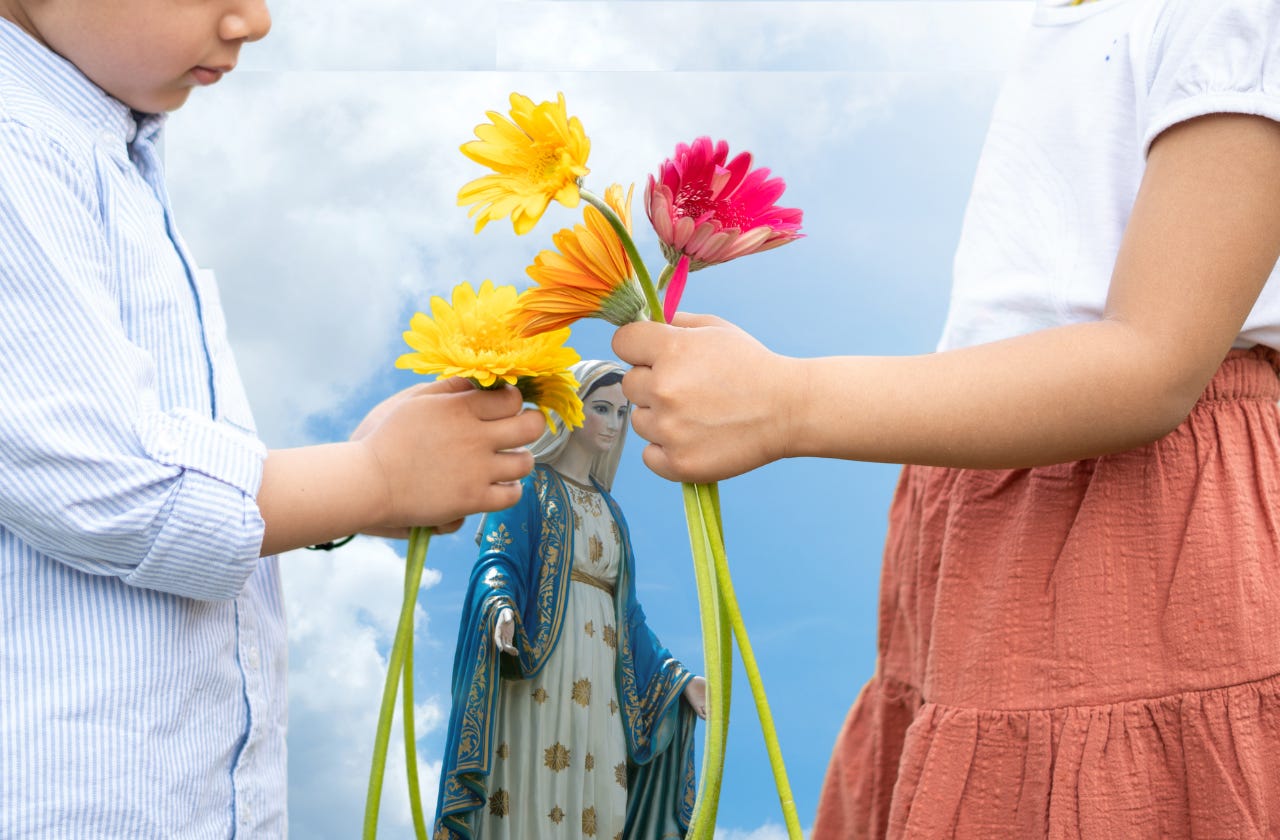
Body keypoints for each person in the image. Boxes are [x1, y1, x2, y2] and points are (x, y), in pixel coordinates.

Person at [611, 0, 1280, 837]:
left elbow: (1154, 364)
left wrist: (788, 402)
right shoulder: (1069, 24)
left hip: (1141, 538)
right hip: (976, 523)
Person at [0, 1, 547, 836]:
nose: (253, 20)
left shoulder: (103, 149)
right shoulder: (16, 147)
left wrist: (360, 481)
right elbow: (114, 479)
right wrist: (373, 480)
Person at [434, 360, 708, 840]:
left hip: (603, 675)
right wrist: (499, 603)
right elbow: (500, 556)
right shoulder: (529, 485)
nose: (613, 424)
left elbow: (630, 616)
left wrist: (677, 679)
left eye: (621, 413)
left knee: (601, 790)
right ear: (569, 411)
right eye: (601, 409)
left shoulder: (611, 509)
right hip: (541, 658)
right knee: (534, 778)